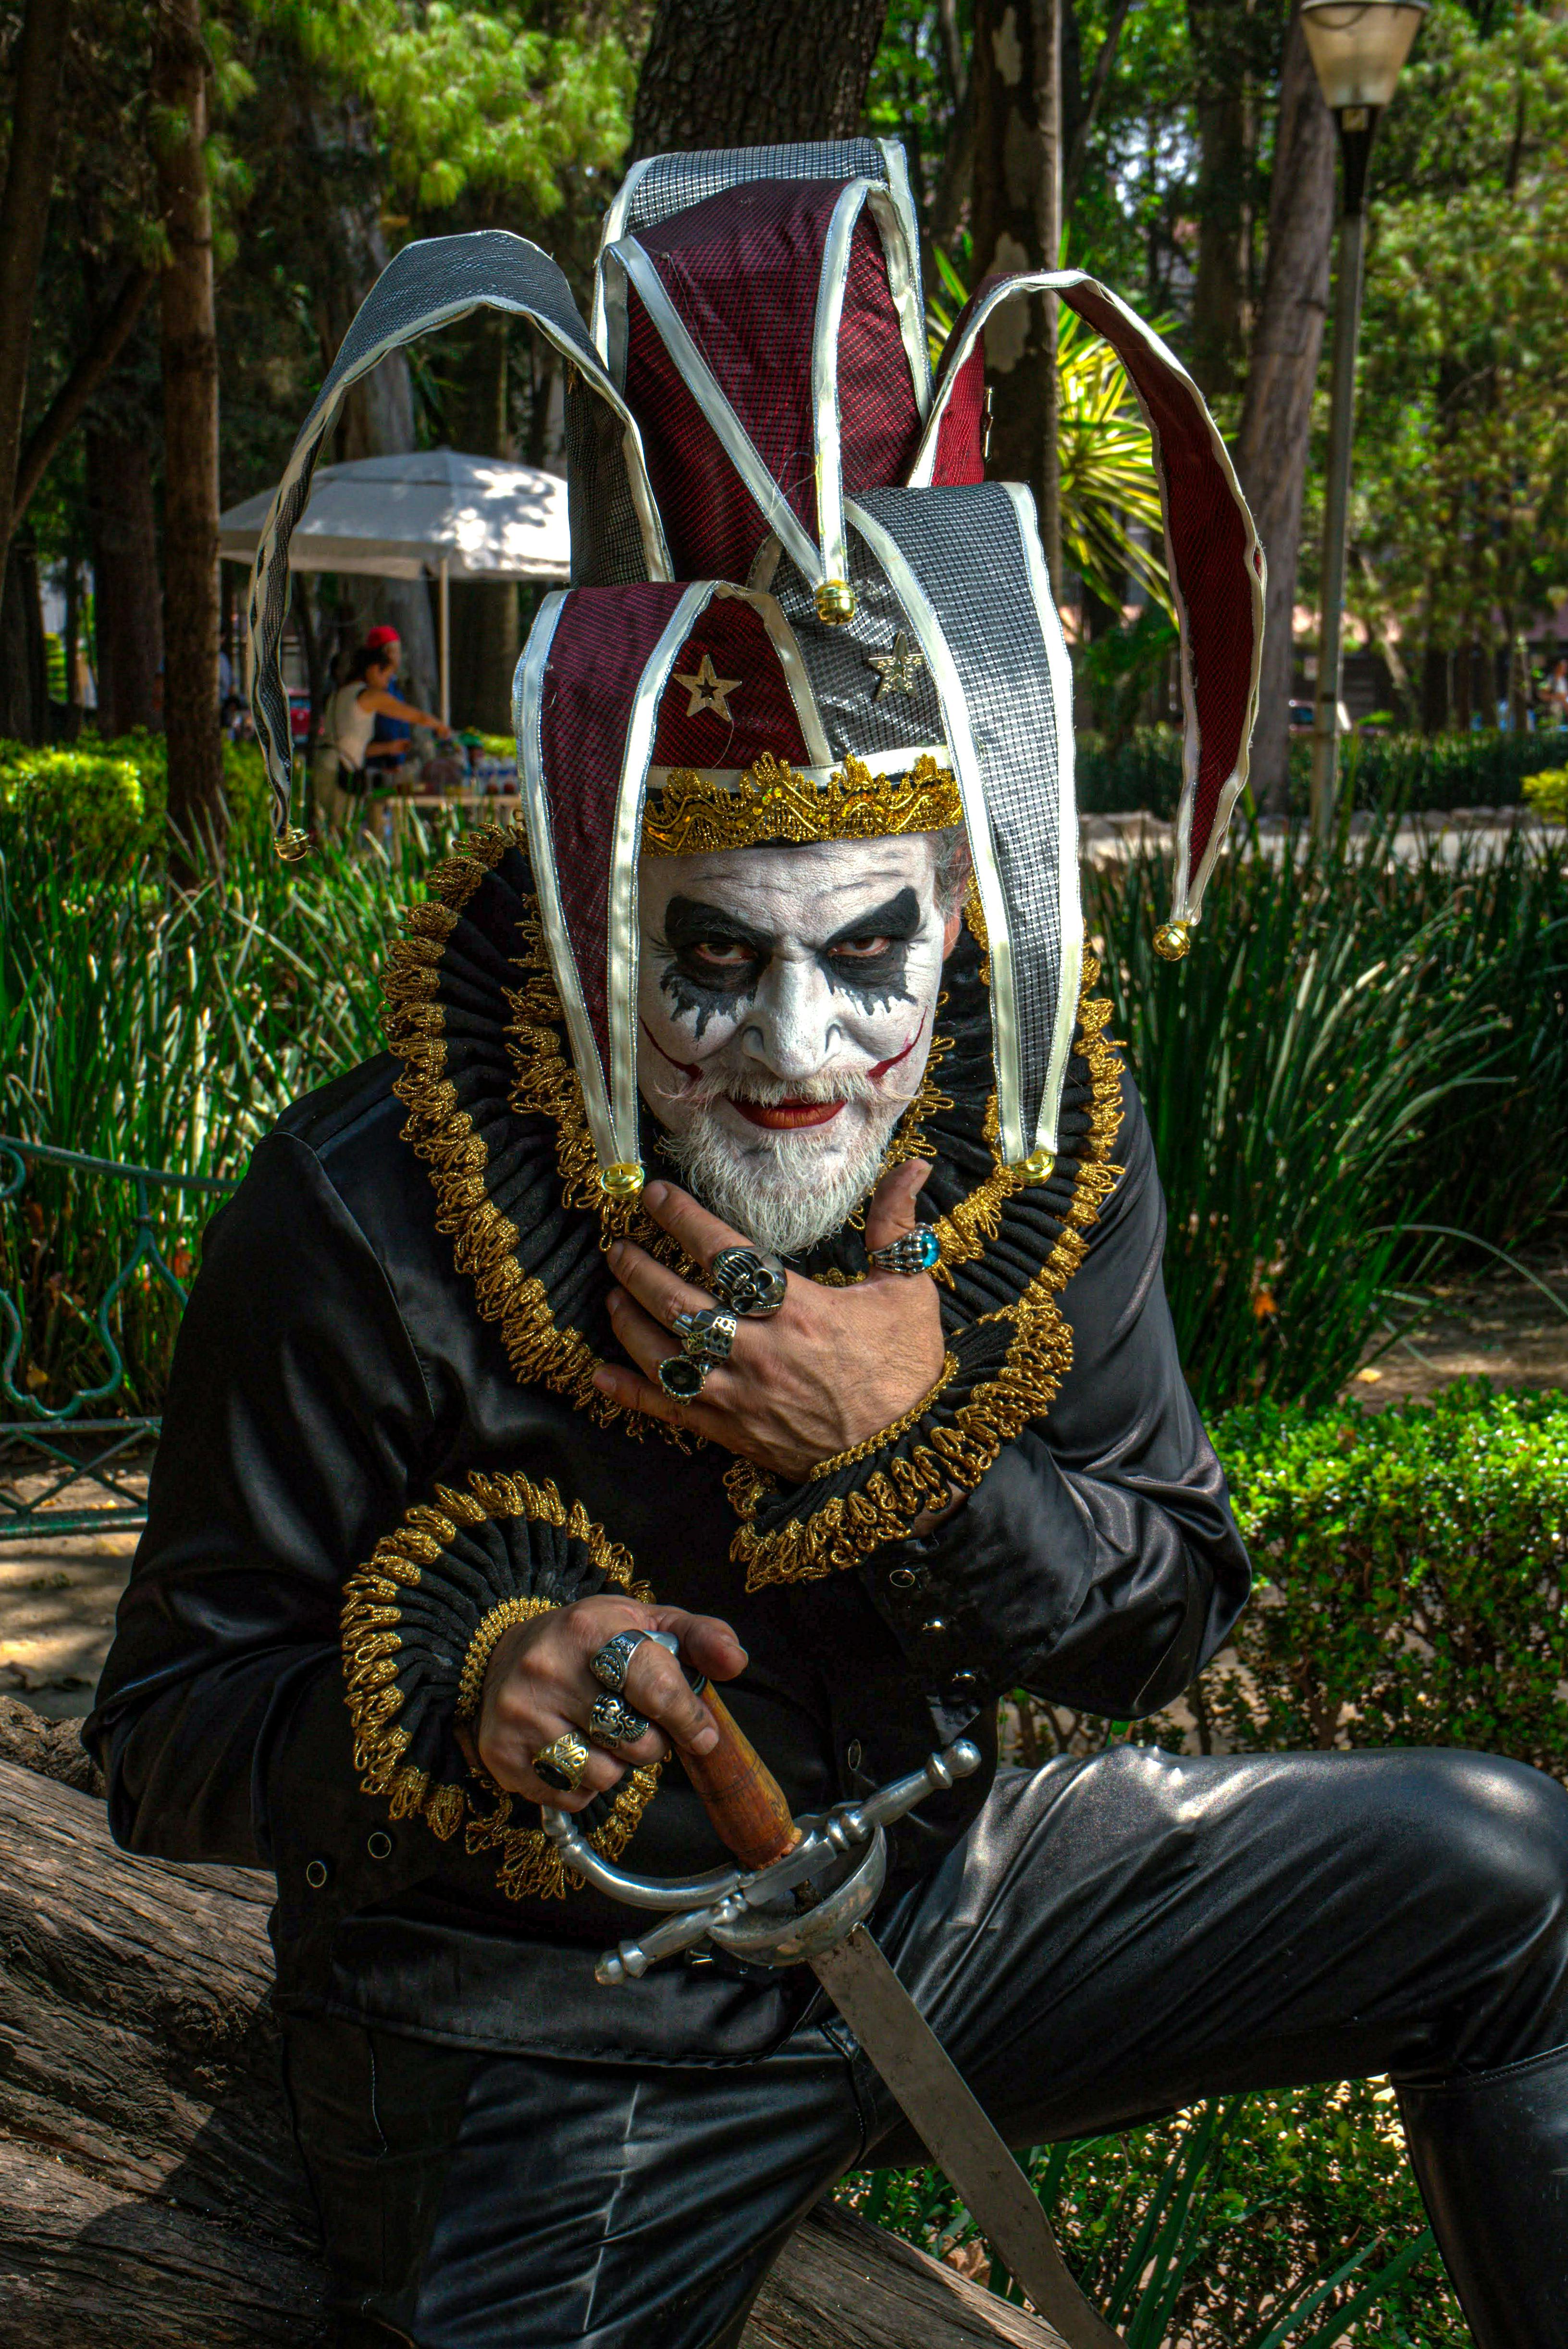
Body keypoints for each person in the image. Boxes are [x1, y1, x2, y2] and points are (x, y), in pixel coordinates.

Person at [88, 144, 1568, 2349]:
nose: (796, 1055)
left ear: (958, 916)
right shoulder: (368, 1202)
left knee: (1514, 1874)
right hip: (539, 2027)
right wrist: (464, 1692)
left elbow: (1163, 1613)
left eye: (865, 957)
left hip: (935, 1898)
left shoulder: (1042, 1127)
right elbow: (174, 1730)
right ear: (602, 924)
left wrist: (935, 1449)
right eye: (709, 964)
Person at [314, 640, 448, 835]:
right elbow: (412, 715)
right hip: (342, 774)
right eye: (387, 675)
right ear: (375, 670)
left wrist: (389, 748)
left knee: (328, 833)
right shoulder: (370, 696)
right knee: (343, 834)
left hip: (325, 767)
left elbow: (351, 744)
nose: (388, 682)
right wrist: (439, 726)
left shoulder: (339, 695)